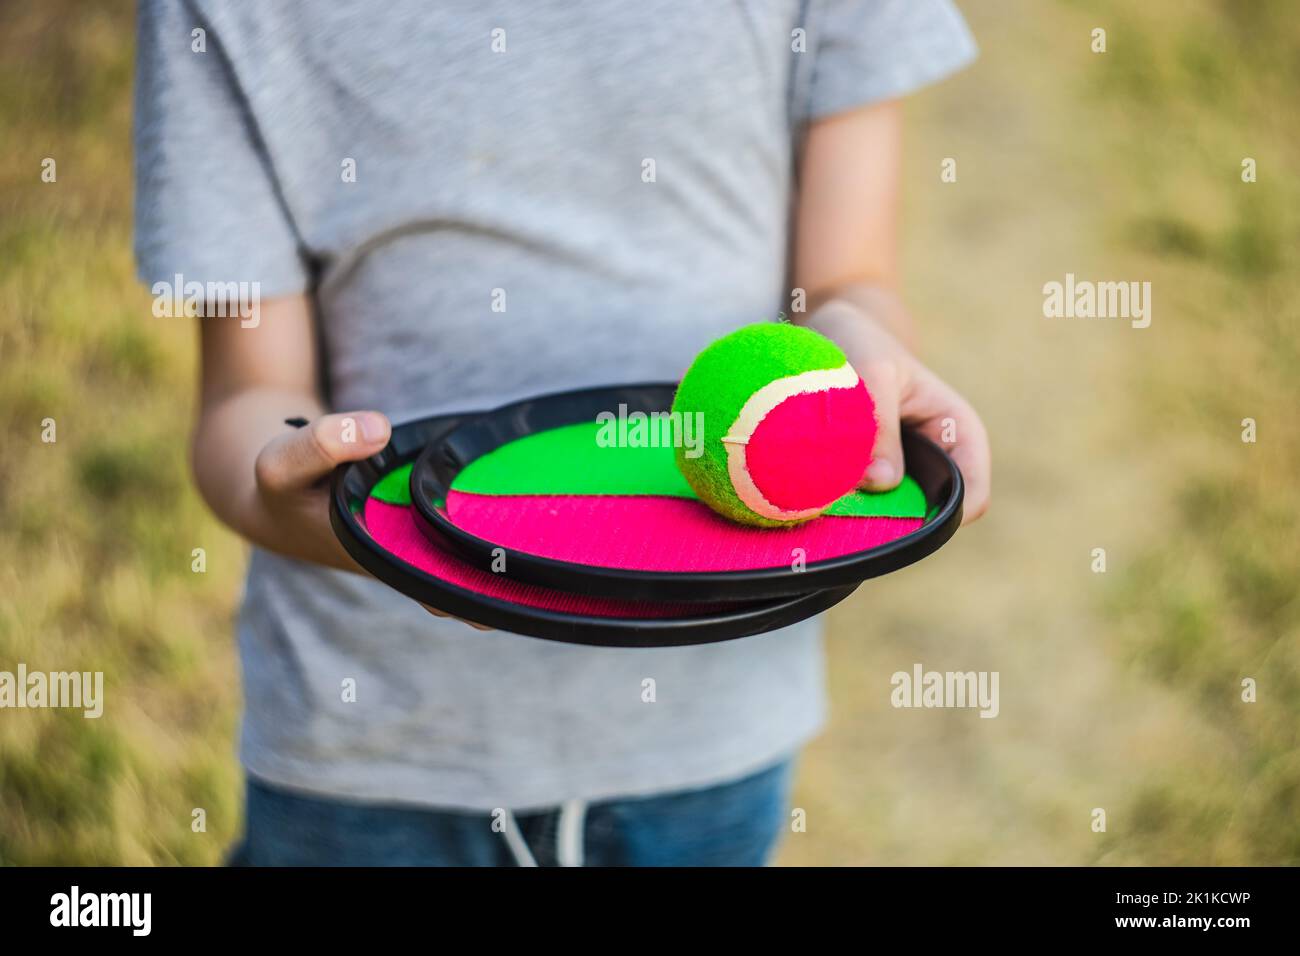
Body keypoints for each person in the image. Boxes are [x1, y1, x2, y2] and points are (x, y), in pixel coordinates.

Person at [134, 0, 990, 866]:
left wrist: (862, 342)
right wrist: (319, 501)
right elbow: (249, 398)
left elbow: (850, 279)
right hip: (370, 749)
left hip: (709, 735)